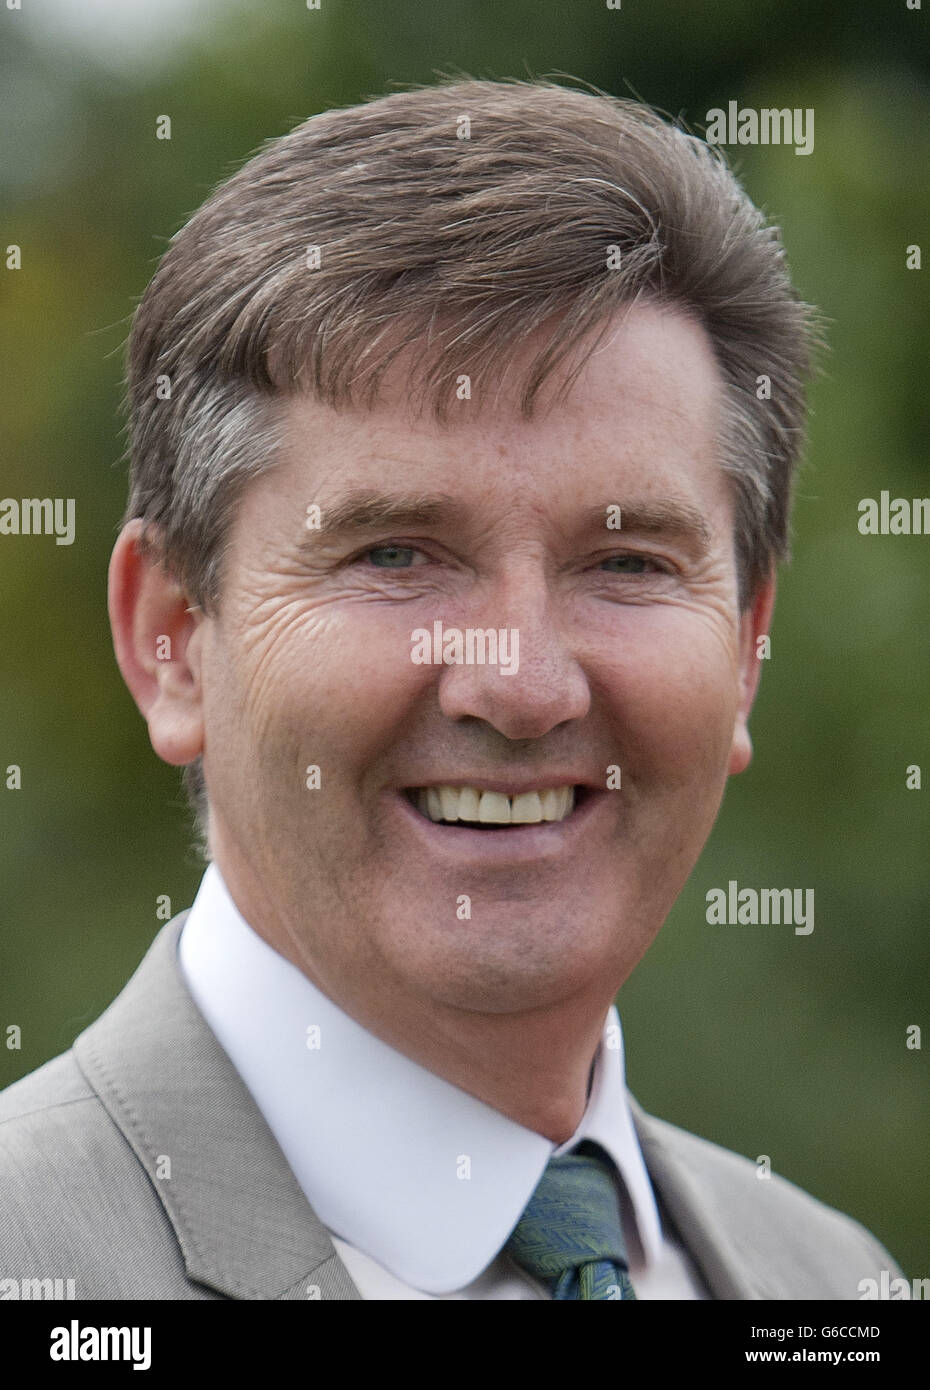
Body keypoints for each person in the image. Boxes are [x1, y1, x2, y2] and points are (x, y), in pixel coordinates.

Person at [0, 78, 903, 1300]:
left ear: (747, 650)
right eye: (396, 554)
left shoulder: (833, 1283)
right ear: (172, 637)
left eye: (627, 563)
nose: (522, 686)